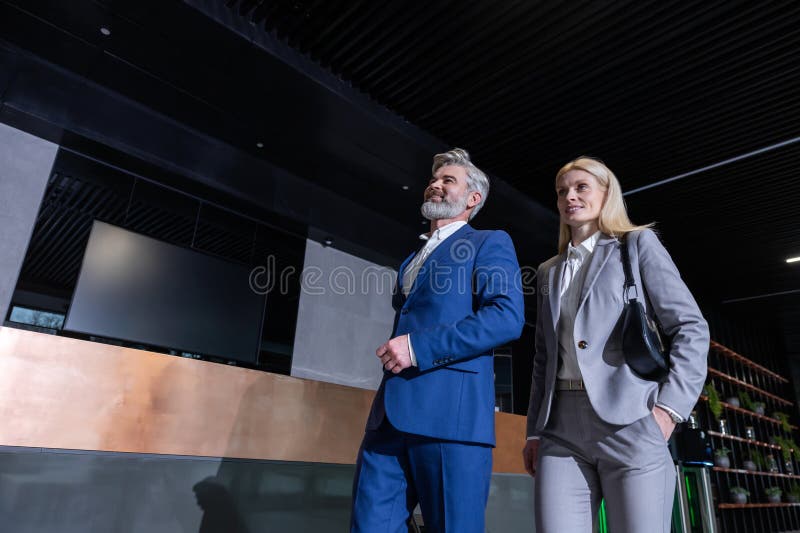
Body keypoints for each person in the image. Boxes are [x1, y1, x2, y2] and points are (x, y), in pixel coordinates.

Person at [522, 156, 709, 533]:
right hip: (560, 430)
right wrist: (533, 430)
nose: (569, 197)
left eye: (580, 187)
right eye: (562, 191)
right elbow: (544, 356)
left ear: (606, 194)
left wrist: (668, 412)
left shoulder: (636, 244)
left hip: (632, 421)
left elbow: (691, 327)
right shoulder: (548, 271)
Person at [351, 148, 525, 533]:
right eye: (434, 179)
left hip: (452, 420)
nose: (435, 185)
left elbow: (506, 318)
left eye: (448, 180)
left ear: (473, 198)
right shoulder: (412, 257)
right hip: (388, 422)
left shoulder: (490, 242)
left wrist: (417, 348)